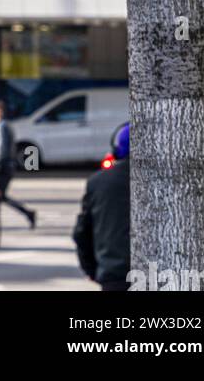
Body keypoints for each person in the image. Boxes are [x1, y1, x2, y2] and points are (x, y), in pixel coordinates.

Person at [73, 124, 131, 291]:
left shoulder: (98, 182)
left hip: (114, 273)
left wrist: (92, 270)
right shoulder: (165, 183)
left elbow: (82, 232)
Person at [0, 100, 36, 227]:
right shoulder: (1, 126)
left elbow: (2, 150)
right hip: (4, 167)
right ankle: (28, 213)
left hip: (2, 168)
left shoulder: (2, 127)